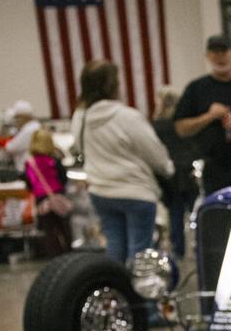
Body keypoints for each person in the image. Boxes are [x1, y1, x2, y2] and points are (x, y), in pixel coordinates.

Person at [70, 60, 174, 264]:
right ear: (113, 85)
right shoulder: (127, 116)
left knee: (115, 248)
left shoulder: (79, 118)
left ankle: (117, 292)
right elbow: (154, 152)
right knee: (140, 252)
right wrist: (168, 169)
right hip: (136, 192)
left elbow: (80, 148)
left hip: (101, 191)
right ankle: (143, 295)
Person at [174, 34, 231, 194]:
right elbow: (181, 128)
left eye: (224, 52)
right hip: (212, 166)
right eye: (215, 53)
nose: (220, 57)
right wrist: (209, 117)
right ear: (208, 56)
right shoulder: (196, 89)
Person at [153, 85, 199, 257]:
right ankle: (199, 247)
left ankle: (178, 251)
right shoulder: (186, 124)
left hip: (170, 177)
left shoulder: (157, 126)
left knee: (175, 216)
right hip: (188, 173)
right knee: (195, 214)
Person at [24, 128, 72, 258]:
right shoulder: (54, 160)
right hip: (58, 196)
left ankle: (55, 256)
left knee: (48, 230)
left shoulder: (30, 163)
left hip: (41, 200)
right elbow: (63, 178)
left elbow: (29, 183)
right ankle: (69, 254)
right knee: (64, 228)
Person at [3, 99, 41, 171]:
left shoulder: (29, 130)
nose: (16, 120)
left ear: (24, 116)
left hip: (28, 169)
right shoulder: (32, 126)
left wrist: (0, 142)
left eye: (17, 117)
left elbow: (11, 148)